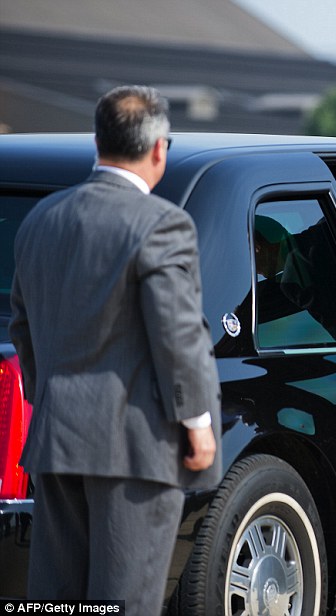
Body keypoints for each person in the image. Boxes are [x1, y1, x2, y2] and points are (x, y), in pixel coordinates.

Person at [8, 85, 221, 613]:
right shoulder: (162, 223)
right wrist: (196, 423)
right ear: (158, 150)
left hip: (57, 439)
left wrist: (46, 396)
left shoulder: (41, 219)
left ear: (99, 142)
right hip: (136, 444)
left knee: (58, 599)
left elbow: (22, 325)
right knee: (125, 598)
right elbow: (177, 333)